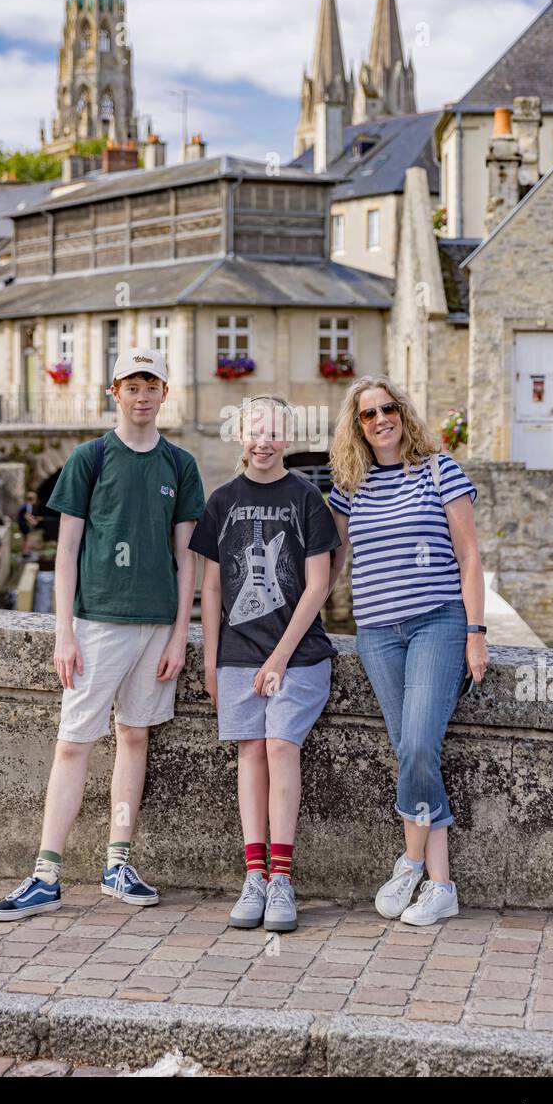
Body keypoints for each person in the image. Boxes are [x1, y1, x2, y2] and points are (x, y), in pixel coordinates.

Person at [0, 348, 205, 921]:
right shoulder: (90, 458)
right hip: (98, 621)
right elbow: (66, 551)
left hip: (156, 625)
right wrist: (64, 632)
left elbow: (187, 558)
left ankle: (117, 864)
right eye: (132, 386)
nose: (142, 396)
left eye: (151, 386)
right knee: (73, 743)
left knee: (134, 738)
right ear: (115, 393)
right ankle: (45, 875)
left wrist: (180, 633)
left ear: (164, 393)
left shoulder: (180, 464)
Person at [327, 376, 489, 927]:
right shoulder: (349, 486)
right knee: (409, 752)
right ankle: (441, 886)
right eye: (368, 414)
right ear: (357, 426)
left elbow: (469, 556)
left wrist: (475, 632)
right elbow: (332, 564)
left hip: (436, 623)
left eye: (387, 408)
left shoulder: (440, 471)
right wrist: (293, 626)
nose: (380, 420)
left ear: (402, 412)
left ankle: (411, 861)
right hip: (376, 633)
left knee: (419, 743)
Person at [190, 394, 341, 933]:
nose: (264, 441)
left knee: (280, 746)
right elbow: (211, 588)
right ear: (240, 436)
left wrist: (279, 658)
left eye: (274, 432)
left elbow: (318, 585)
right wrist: (211, 661)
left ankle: (282, 879)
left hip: (298, 655)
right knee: (250, 752)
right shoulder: (222, 500)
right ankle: (253, 876)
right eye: (255, 431)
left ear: (288, 438)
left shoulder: (306, 497)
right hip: (237, 654)